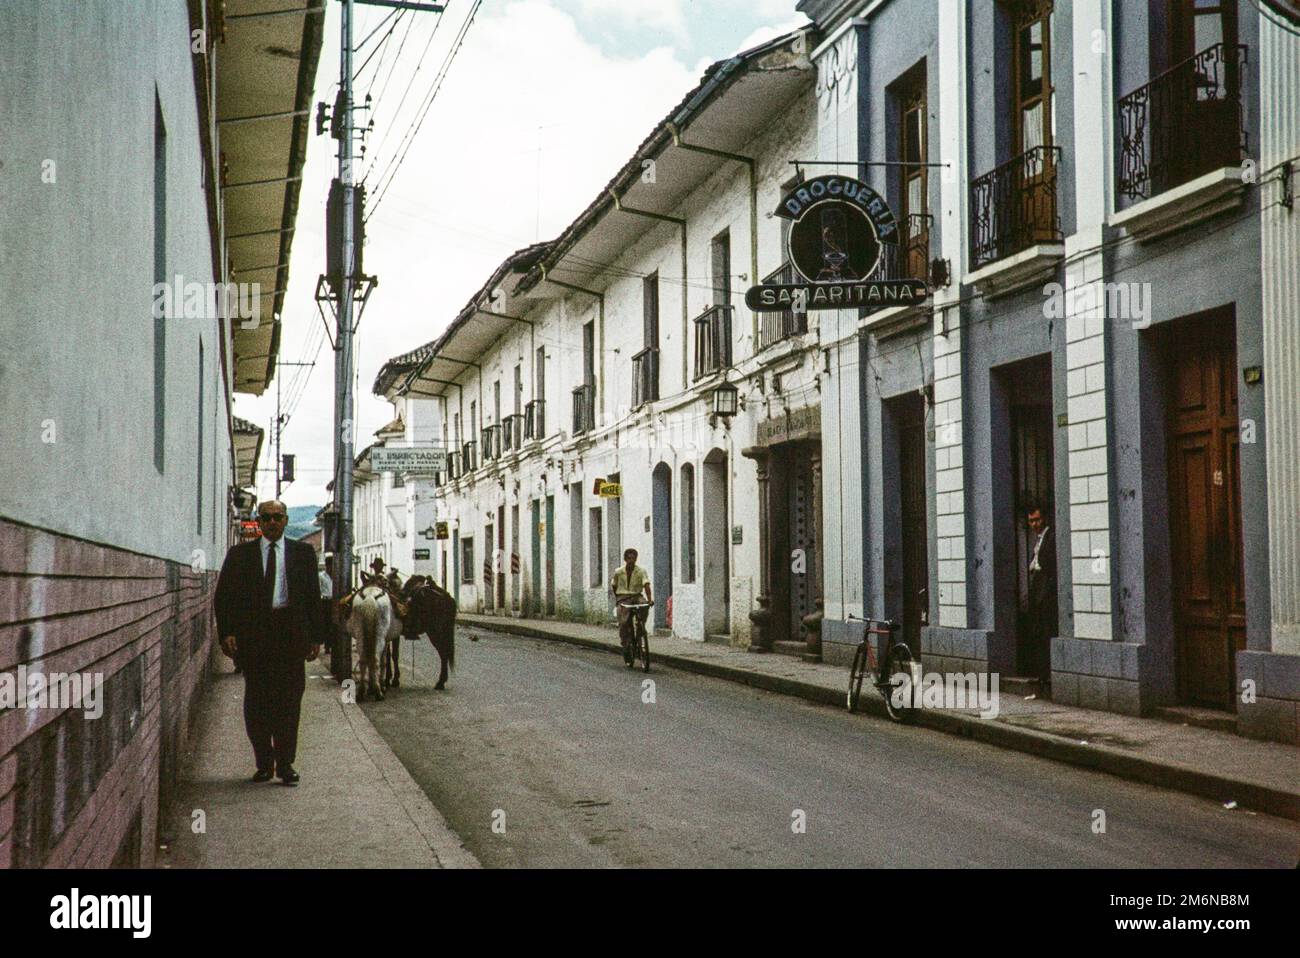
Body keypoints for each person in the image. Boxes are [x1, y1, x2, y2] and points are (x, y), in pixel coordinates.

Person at [213, 500, 324, 786]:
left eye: (278, 517)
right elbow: (224, 597)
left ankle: (285, 764)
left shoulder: (303, 553)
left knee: (289, 701)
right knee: (258, 701)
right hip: (255, 638)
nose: (272, 522)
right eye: (266, 518)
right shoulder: (240, 555)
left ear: (286, 520)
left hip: (291, 637)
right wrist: (227, 633)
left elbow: (314, 598)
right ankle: (264, 762)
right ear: (258, 522)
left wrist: (316, 637)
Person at [1024, 499, 1057, 690]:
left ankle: (1046, 674)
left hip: (1045, 589)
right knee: (1037, 634)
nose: (1034, 525)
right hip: (1037, 587)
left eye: (1037, 520)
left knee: (1044, 632)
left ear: (1044, 518)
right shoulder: (1038, 540)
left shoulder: (1050, 537)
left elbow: (1048, 565)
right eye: (1030, 521)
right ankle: (1041, 674)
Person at [610, 548, 653, 665]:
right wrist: (618, 598)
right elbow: (614, 585)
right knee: (624, 623)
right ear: (625, 559)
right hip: (623, 597)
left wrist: (649, 600)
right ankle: (626, 646)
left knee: (644, 605)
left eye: (633, 558)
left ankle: (641, 628)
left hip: (636, 596)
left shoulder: (641, 571)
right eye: (629, 558)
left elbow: (646, 585)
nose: (631, 561)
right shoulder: (618, 572)